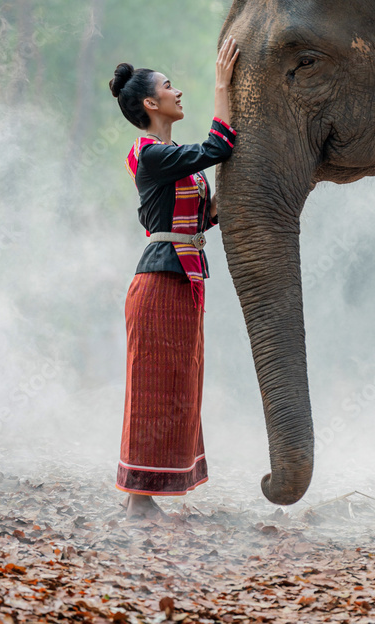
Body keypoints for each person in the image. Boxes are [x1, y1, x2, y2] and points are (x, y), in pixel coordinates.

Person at [110, 37, 239, 520]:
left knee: (177, 382)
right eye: (170, 87)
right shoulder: (150, 155)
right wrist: (223, 85)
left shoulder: (168, 155)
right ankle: (138, 498)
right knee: (152, 386)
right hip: (161, 281)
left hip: (184, 278)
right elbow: (220, 145)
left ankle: (144, 495)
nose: (178, 92)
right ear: (150, 103)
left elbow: (202, 216)